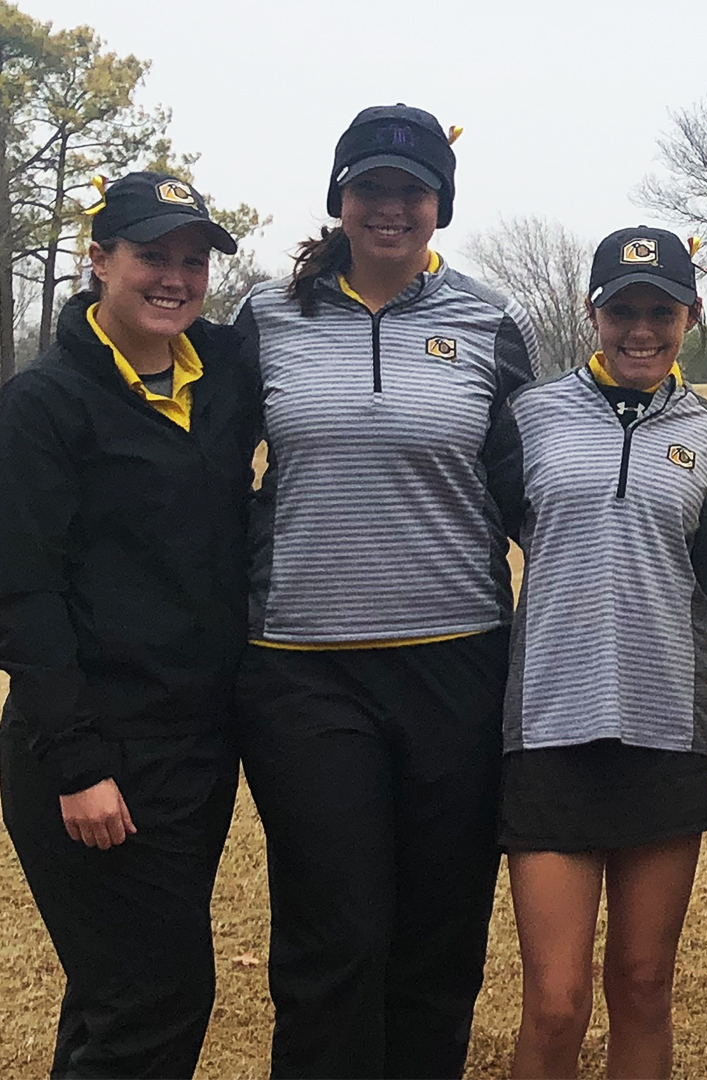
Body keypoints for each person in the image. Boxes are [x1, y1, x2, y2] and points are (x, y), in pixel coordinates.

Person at [231, 104, 537, 1078]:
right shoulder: (268, 319)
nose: (391, 208)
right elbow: (202, 479)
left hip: (457, 662)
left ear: (441, 205)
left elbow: (532, 490)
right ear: (340, 199)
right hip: (304, 672)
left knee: (438, 943)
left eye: (411, 190)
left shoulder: (488, 321)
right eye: (371, 187)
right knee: (335, 943)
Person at [0, 172, 253, 1077]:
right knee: (152, 996)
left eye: (192, 260)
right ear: (96, 259)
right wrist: (78, 764)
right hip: (92, 755)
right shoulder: (46, 405)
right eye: (151, 256)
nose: (174, 277)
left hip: (193, 752)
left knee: (119, 992)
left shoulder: (220, 373)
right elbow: (22, 593)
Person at [497, 226, 707, 1080]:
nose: (642, 330)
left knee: (642, 985)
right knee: (555, 1004)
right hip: (550, 725)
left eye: (661, 312)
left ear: (691, 316)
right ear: (591, 312)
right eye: (622, 310)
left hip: (667, 724)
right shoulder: (528, 416)